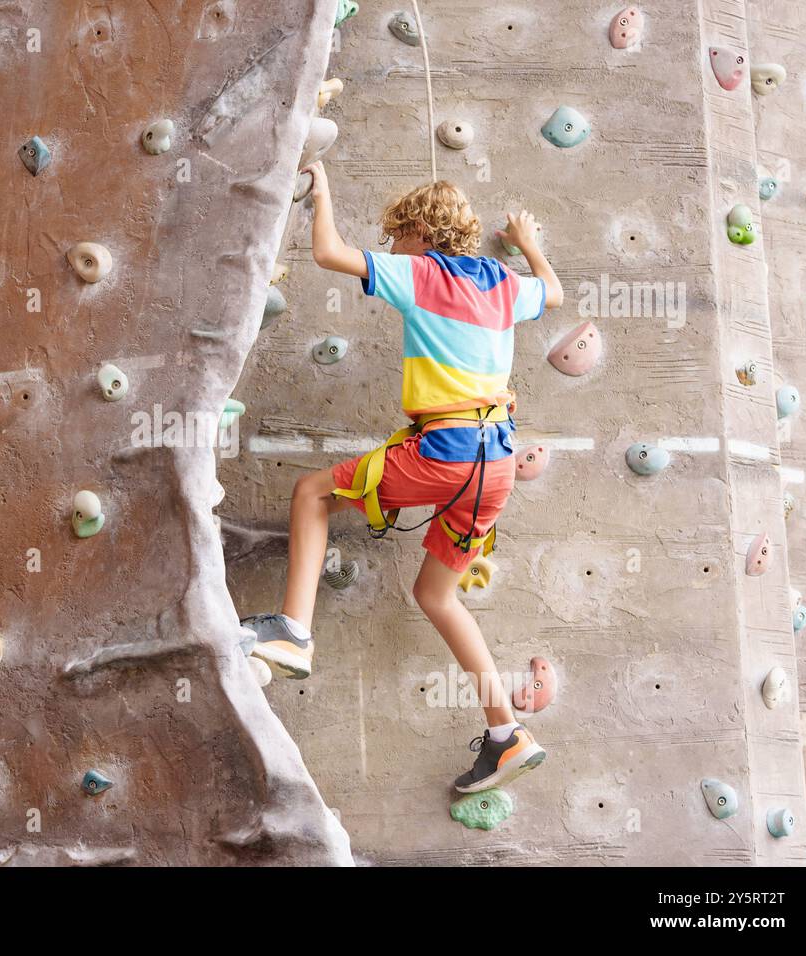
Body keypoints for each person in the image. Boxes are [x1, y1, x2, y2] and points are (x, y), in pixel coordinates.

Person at [241, 163, 564, 792]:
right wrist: (527, 245)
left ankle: (293, 631)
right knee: (438, 595)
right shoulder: (503, 284)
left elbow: (331, 252)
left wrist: (323, 187)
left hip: (445, 450)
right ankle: (507, 735)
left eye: (395, 236)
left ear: (420, 233)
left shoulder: (420, 273)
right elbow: (552, 292)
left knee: (311, 492)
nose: (389, 247)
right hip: (495, 465)